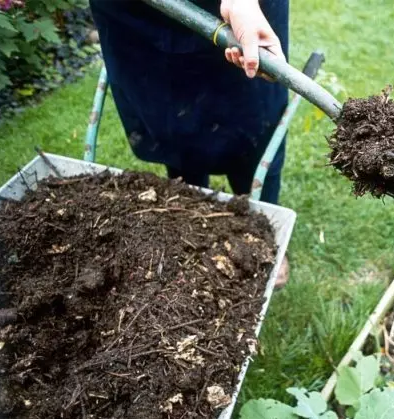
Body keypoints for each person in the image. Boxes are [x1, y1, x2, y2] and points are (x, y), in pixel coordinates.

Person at [89, 0, 290, 286]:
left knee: (253, 123)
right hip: (139, 16)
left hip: (236, 12)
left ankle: (265, 231)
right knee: (170, 123)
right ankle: (189, 224)